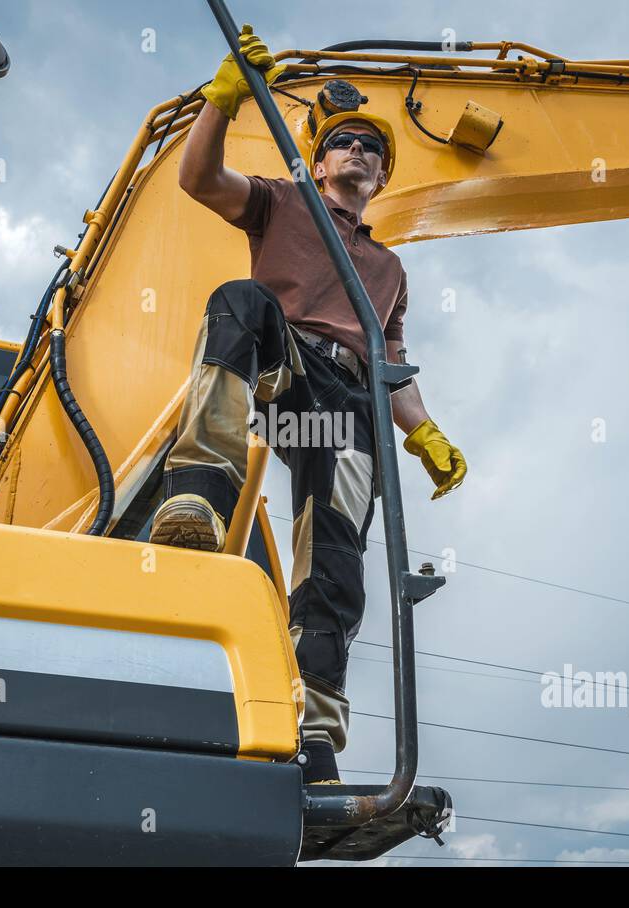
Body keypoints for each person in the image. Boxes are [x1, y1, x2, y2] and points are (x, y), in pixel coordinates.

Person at [151, 25, 466, 784]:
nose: (359, 150)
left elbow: (391, 362)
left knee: (333, 570)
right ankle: (198, 494)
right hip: (288, 367)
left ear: (383, 177)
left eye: (372, 147)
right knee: (240, 300)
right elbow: (199, 180)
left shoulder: (388, 268)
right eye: (345, 141)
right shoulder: (283, 201)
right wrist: (221, 104)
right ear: (320, 159)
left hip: (350, 404)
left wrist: (426, 434)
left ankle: (314, 739)